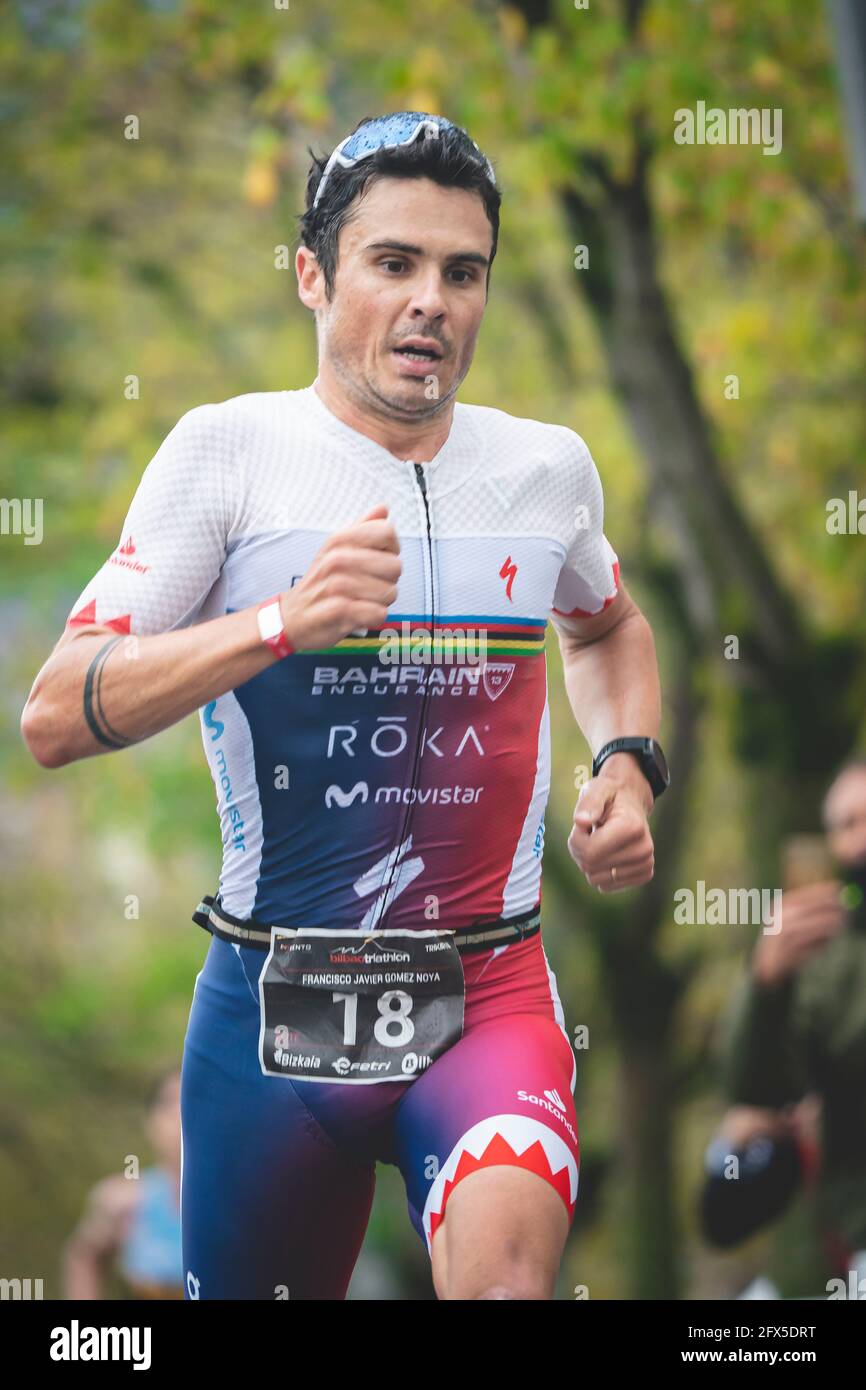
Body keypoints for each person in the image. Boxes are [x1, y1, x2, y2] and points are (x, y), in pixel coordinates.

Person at [21, 112, 667, 1300]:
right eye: (393, 263)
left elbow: (609, 624)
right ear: (312, 277)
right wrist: (279, 622)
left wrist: (625, 760)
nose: (432, 300)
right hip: (274, 1012)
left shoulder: (544, 470)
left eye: (460, 272)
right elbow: (56, 713)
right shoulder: (226, 454)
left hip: (489, 991)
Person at [720, 757, 866, 1285]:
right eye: (847, 824)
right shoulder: (817, 961)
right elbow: (753, 1088)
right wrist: (766, 984)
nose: (860, 840)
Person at [62, 1070, 183, 1300]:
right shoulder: (125, 1201)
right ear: (150, 1122)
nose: (180, 1115)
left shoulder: (245, 1200)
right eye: (169, 1104)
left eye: (190, 1099)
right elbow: (84, 1258)